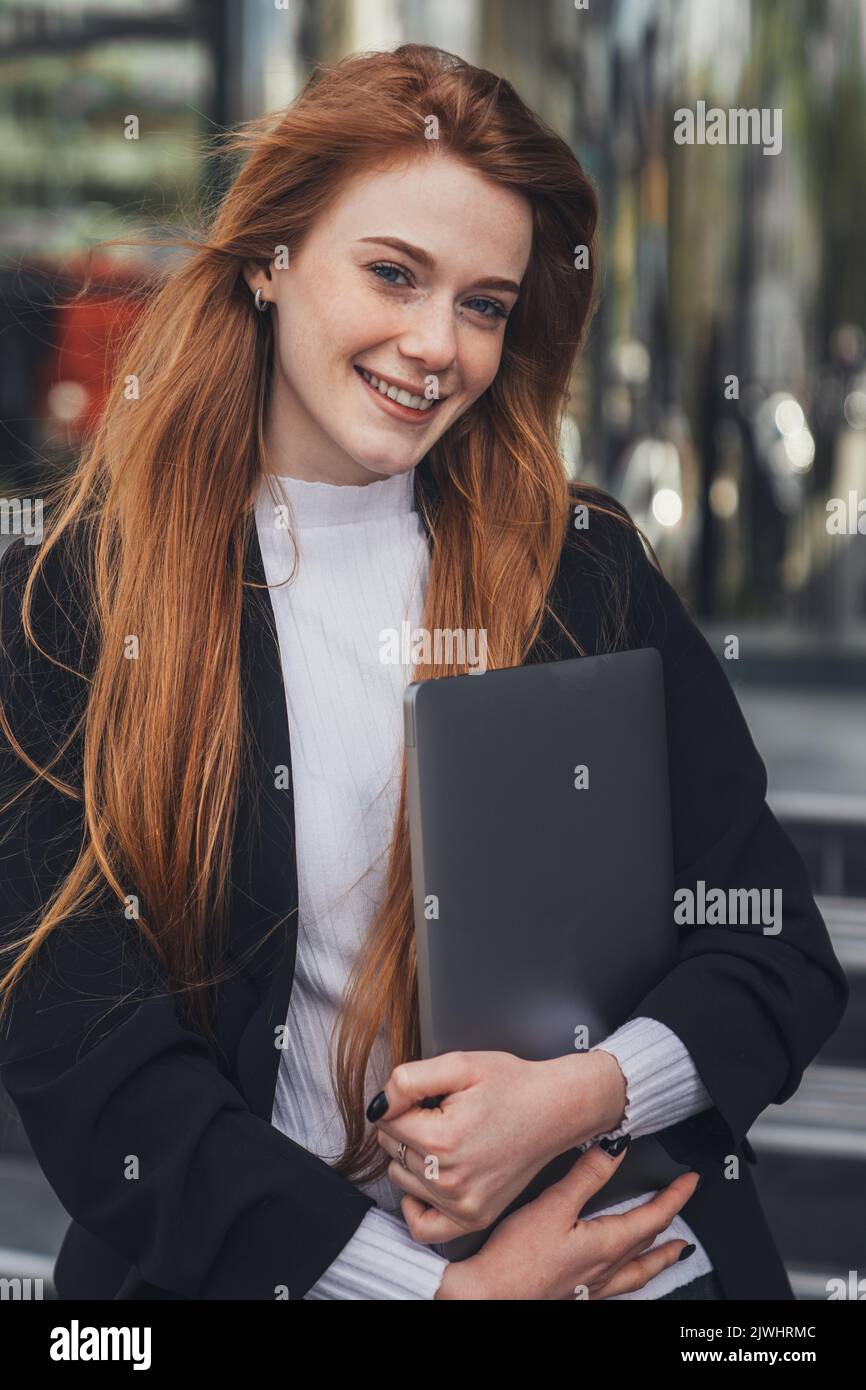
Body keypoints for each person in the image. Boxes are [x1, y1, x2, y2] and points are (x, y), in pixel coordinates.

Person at [0, 44, 846, 1302]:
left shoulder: (582, 567)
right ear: (273, 264)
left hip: (615, 1267)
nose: (434, 343)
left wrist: (577, 1094)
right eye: (393, 273)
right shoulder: (80, 593)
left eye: (485, 303)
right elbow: (86, 1048)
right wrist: (429, 1291)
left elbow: (771, 946)